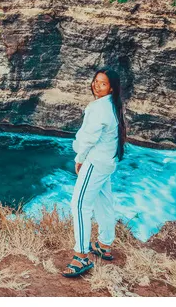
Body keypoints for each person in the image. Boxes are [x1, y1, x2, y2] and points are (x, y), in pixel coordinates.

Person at [62, 68, 127, 278]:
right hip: (108, 162)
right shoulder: (112, 106)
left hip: (95, 162)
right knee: (104, 203)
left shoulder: (99, 108)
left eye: (103, 84)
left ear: (111, 88)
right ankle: (104, 245)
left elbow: (88, 139)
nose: (96, 86)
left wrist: (79, 159)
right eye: (96, 81)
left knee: (80, 205)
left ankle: (81, 256)